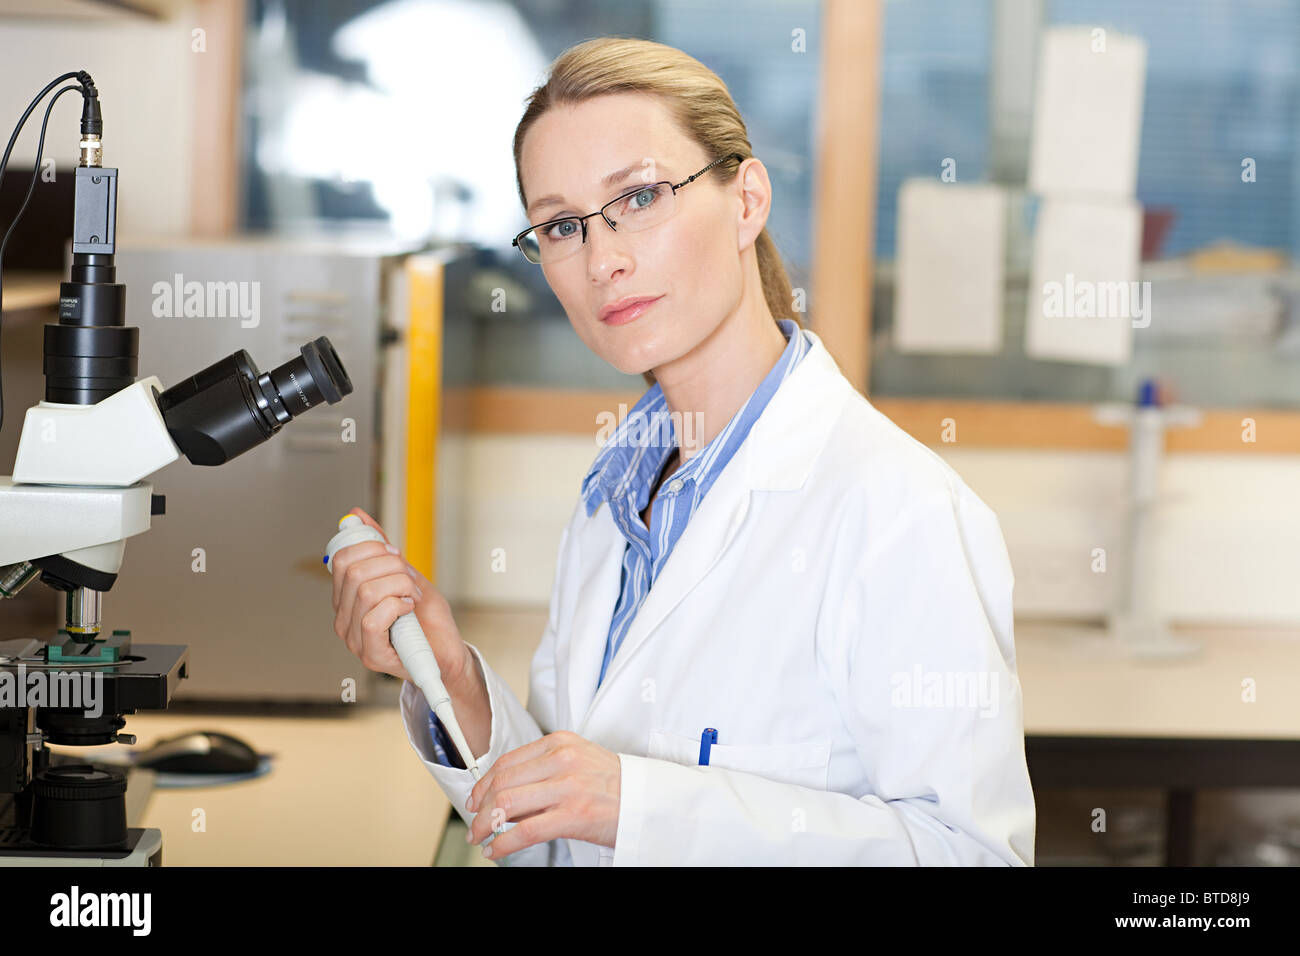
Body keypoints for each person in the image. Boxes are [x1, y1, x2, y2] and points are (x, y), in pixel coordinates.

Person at [329, 36, 1035, 866]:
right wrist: (456, 682)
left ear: (747, 201)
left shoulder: (900, 512)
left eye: (640, 197)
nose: (603, 259)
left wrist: (645, 807)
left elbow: (974, 856)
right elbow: (570, 830)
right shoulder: (617, 495)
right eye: (560, 226)